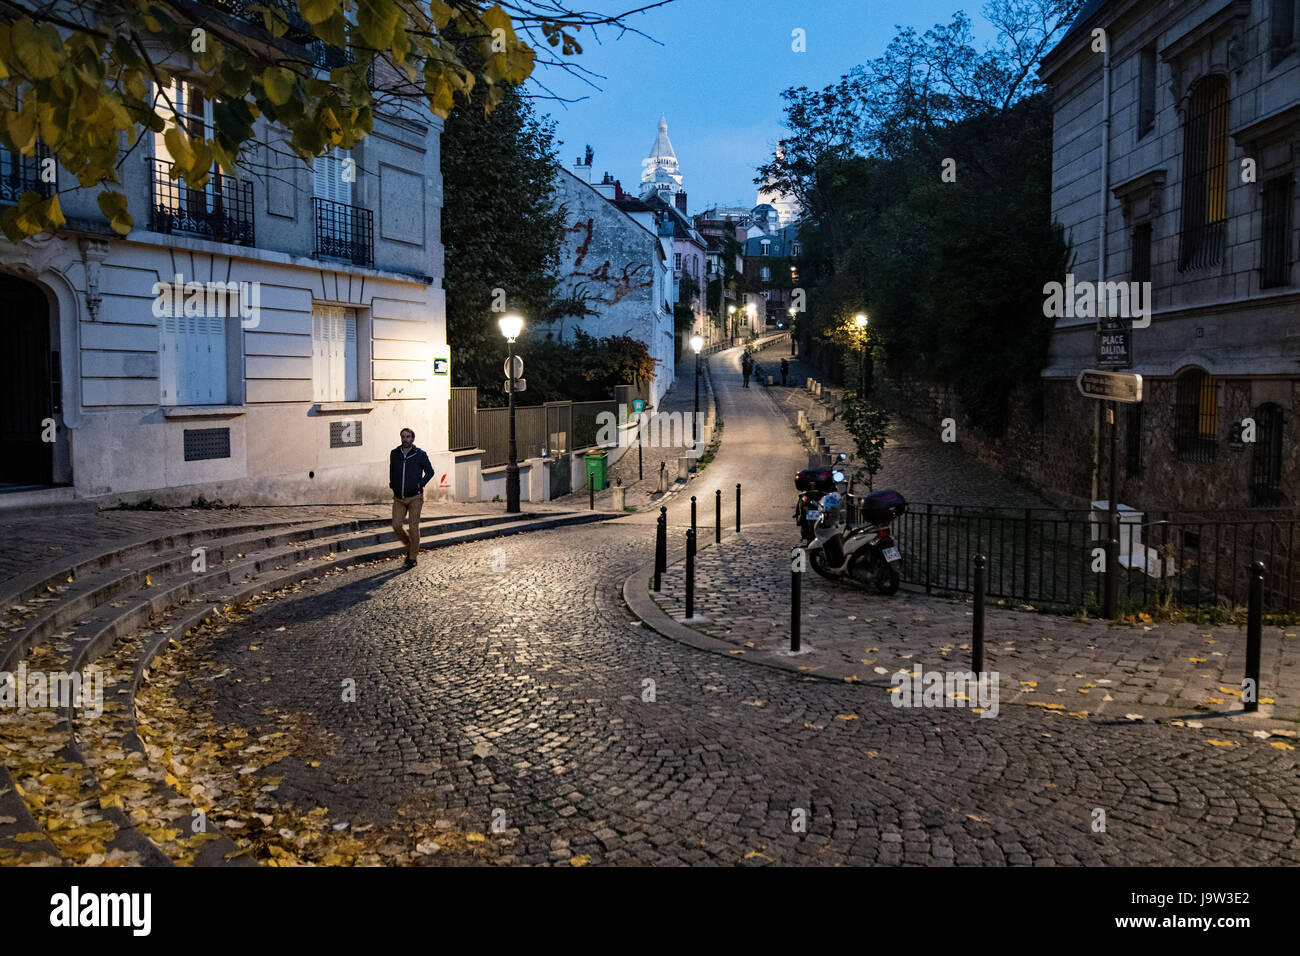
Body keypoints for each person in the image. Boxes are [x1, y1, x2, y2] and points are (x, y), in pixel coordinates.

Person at [389, 427, 434, 567]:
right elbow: (392, 470)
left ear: (412, 439)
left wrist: (420, 484)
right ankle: (411, 545)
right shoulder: (395, 453)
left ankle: (412, 557)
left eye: (408, 437)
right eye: (403, 436)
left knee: (413, 527)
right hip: (399, 498)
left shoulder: (420, 454)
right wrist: (392, 484)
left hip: (415, 497)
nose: (405, 439)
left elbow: (430, 472)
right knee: (396, 525)